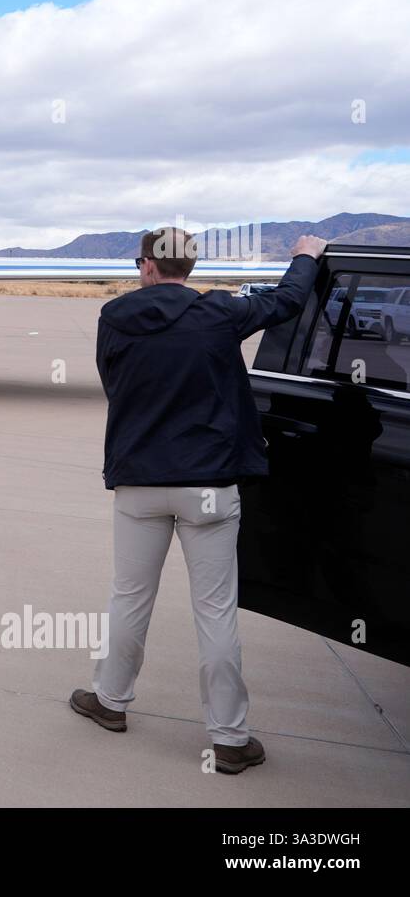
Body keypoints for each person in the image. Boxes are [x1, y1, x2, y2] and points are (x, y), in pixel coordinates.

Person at [69, 228, 325, 774]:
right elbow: (286, 302)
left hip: (140, 480)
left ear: (145, 266)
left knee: (129, 598)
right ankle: (231, 738)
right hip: (209, 484)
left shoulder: (114, 318)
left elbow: (114, 383)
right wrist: (303, 259)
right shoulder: (221, 313)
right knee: (214, 610)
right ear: (190, 265)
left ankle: (110, 701)